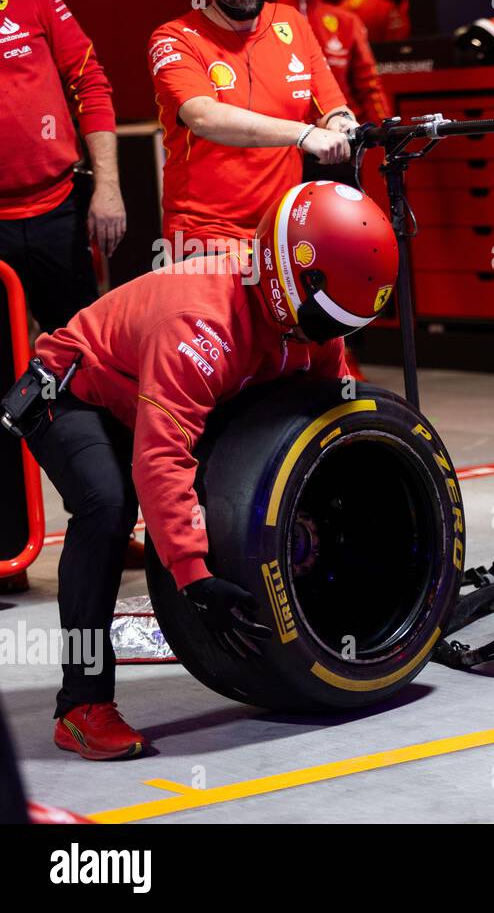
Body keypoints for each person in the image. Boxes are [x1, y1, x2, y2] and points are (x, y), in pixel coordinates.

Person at [11, 182, 397, 759]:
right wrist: (191, 574)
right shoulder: (199, 325)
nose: (329, 334)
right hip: (73, 392)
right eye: (324, 319)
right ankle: (81, 706)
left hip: (151, 389)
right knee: (107, 509)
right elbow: (163, 455)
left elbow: (327, 423)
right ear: (288, 280)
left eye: (343, 324)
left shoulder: (308, 324)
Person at [0, 0, 128, 592]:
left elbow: (90, 80)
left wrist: (106, 186)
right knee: (0, 386)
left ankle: (116, 520)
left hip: (58, 213)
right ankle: (4, 553)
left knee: (88, 374)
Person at [149, 0, 357, 260]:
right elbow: (205, 117)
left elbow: (332, 107)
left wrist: (343, 125)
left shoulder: (292, 23)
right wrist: (304, 133)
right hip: (205, 235)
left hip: (282, 231)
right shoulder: (174, 37)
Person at [270, 0, 392, 125]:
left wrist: (384, 132)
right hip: (289, 137)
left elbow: (370, 87)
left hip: (344, 132)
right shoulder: (262, 24)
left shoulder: (346, 21)